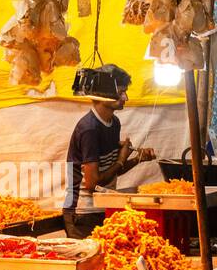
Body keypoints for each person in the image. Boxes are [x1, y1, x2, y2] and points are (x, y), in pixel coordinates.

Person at [63, 64, 155, 238]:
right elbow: (92, 185)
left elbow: (110, 172)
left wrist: (137, 159)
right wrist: (120, 160)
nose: (125, 97)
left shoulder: (114, 123)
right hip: (83, 212)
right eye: (120, 92)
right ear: (102, 94)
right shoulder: (89, 129)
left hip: (103, 206)